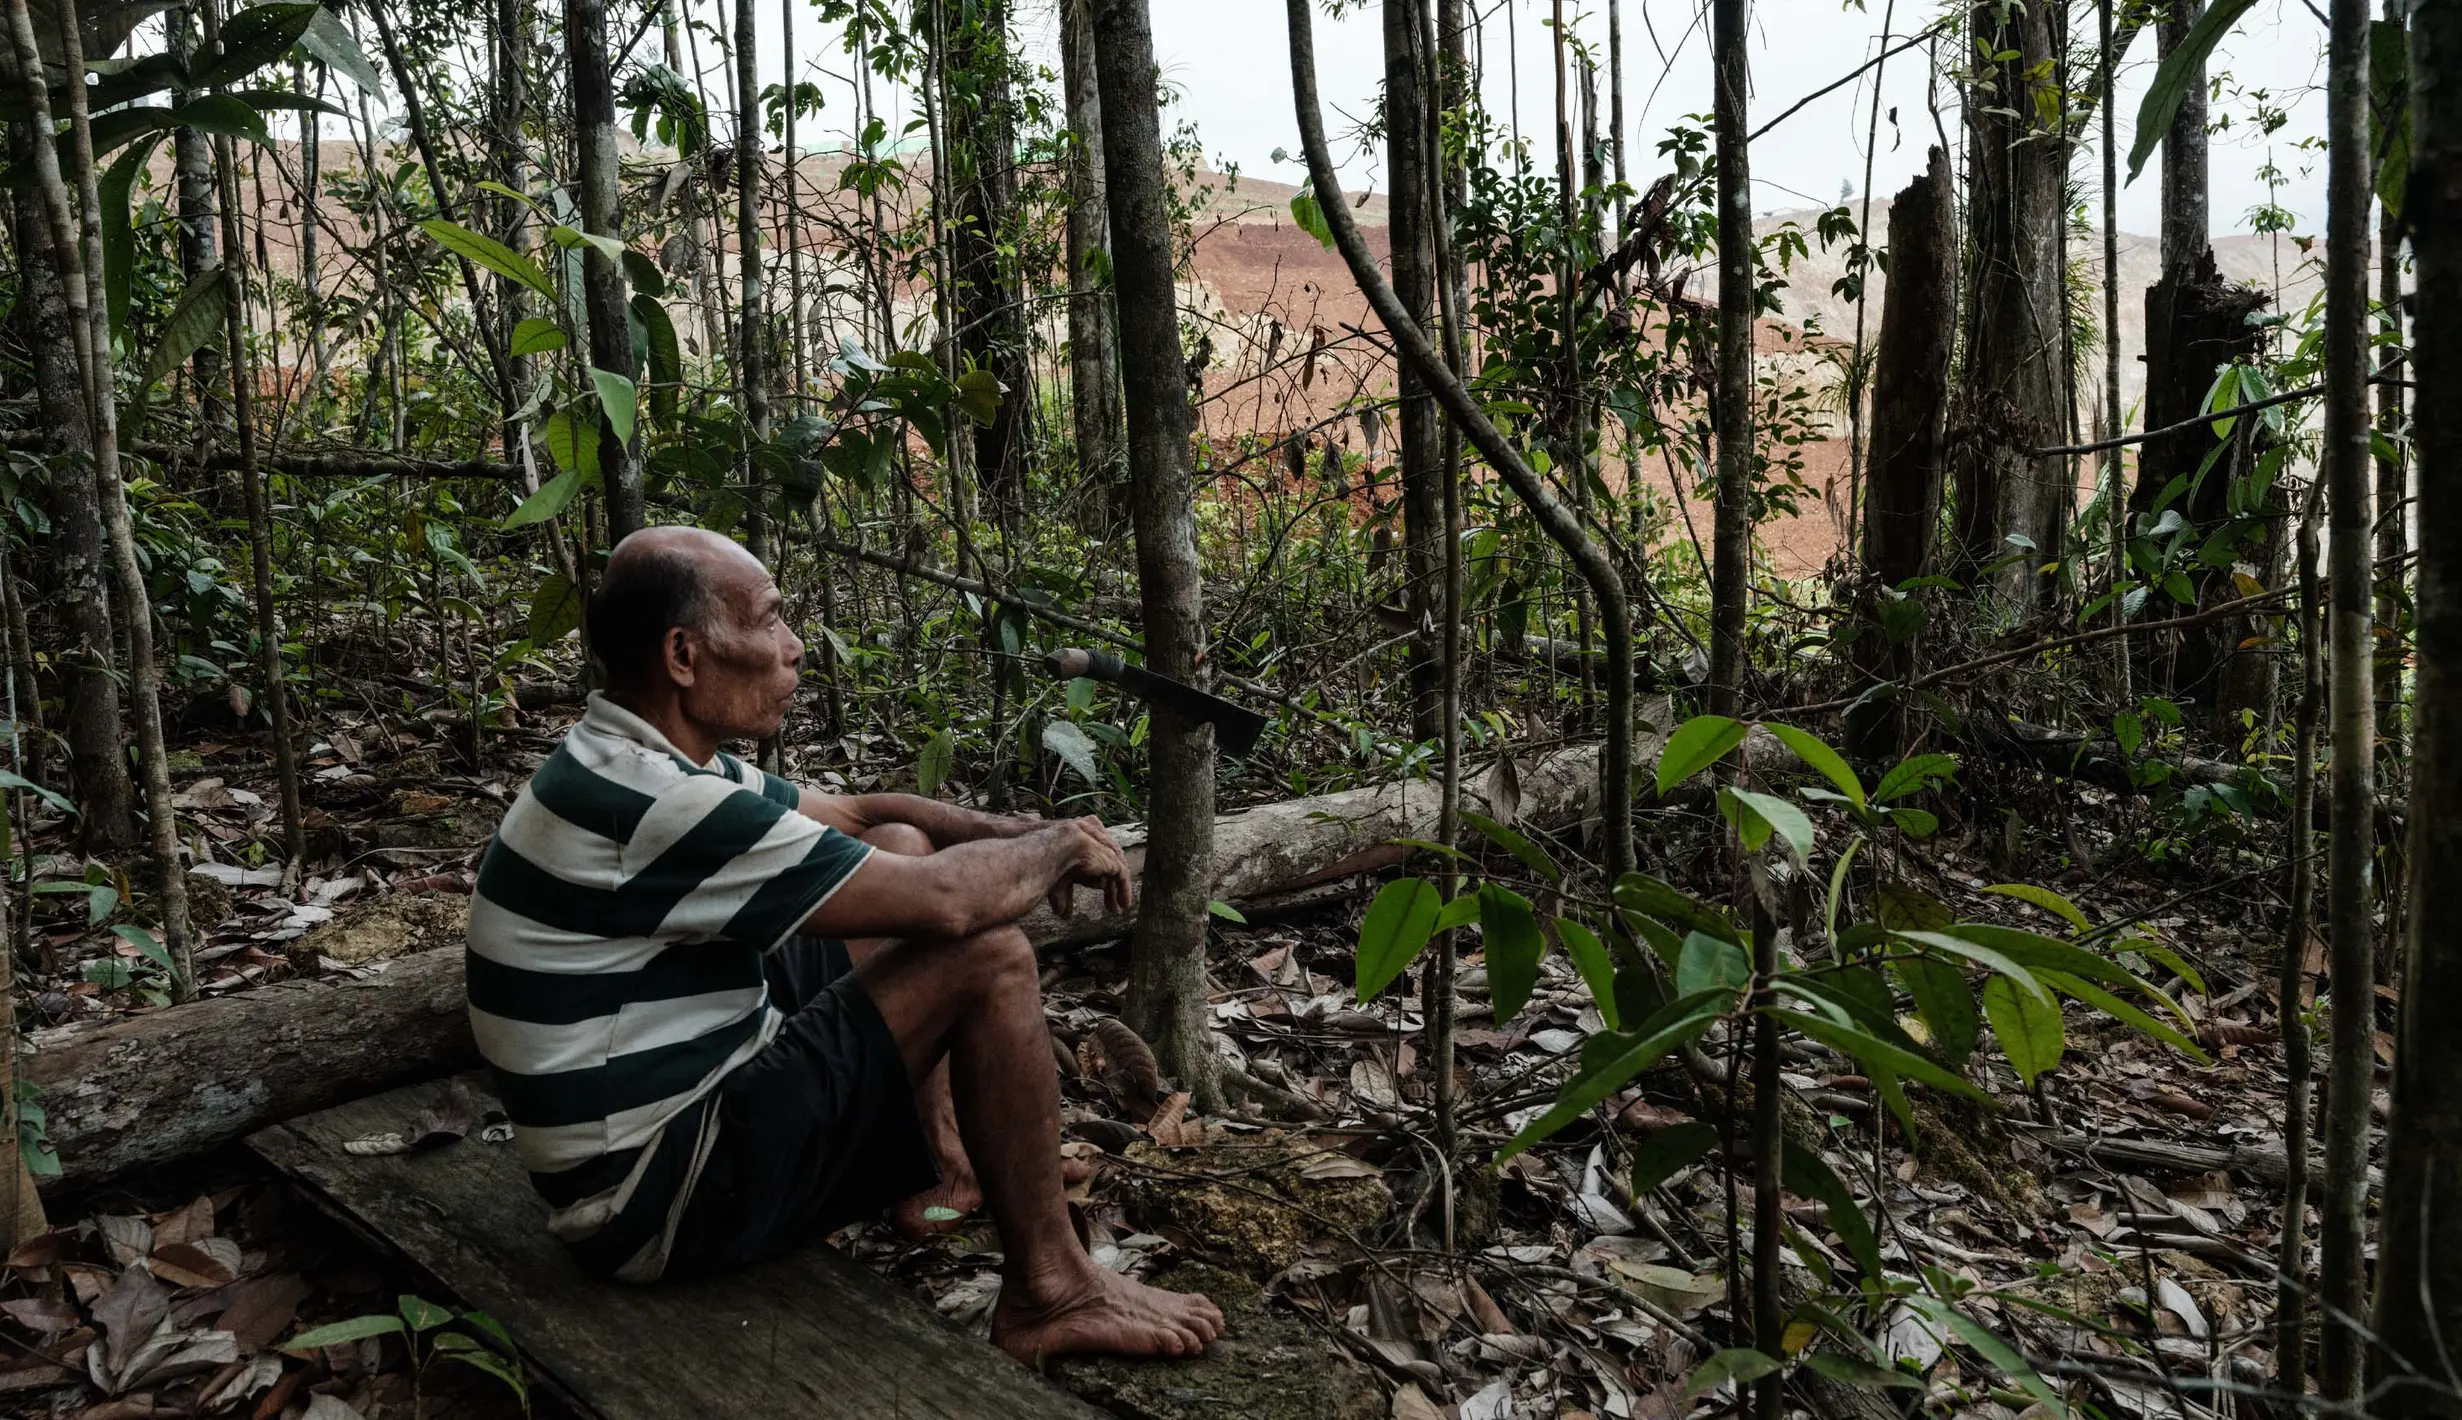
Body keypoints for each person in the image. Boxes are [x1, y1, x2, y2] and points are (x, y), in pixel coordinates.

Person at [466, 525, 1223, 1363]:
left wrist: (1027, 827)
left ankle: (943, 1162)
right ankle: (1052, 1287)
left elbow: (864, 815)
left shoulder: (641, 757)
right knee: (990, 955)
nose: (793, 650)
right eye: (769, 622)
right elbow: (948, 902)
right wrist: (1056, 850)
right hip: (652, 1205)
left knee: (893, 846)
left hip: (656, 1135)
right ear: (685, 655)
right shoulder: (658, 803)